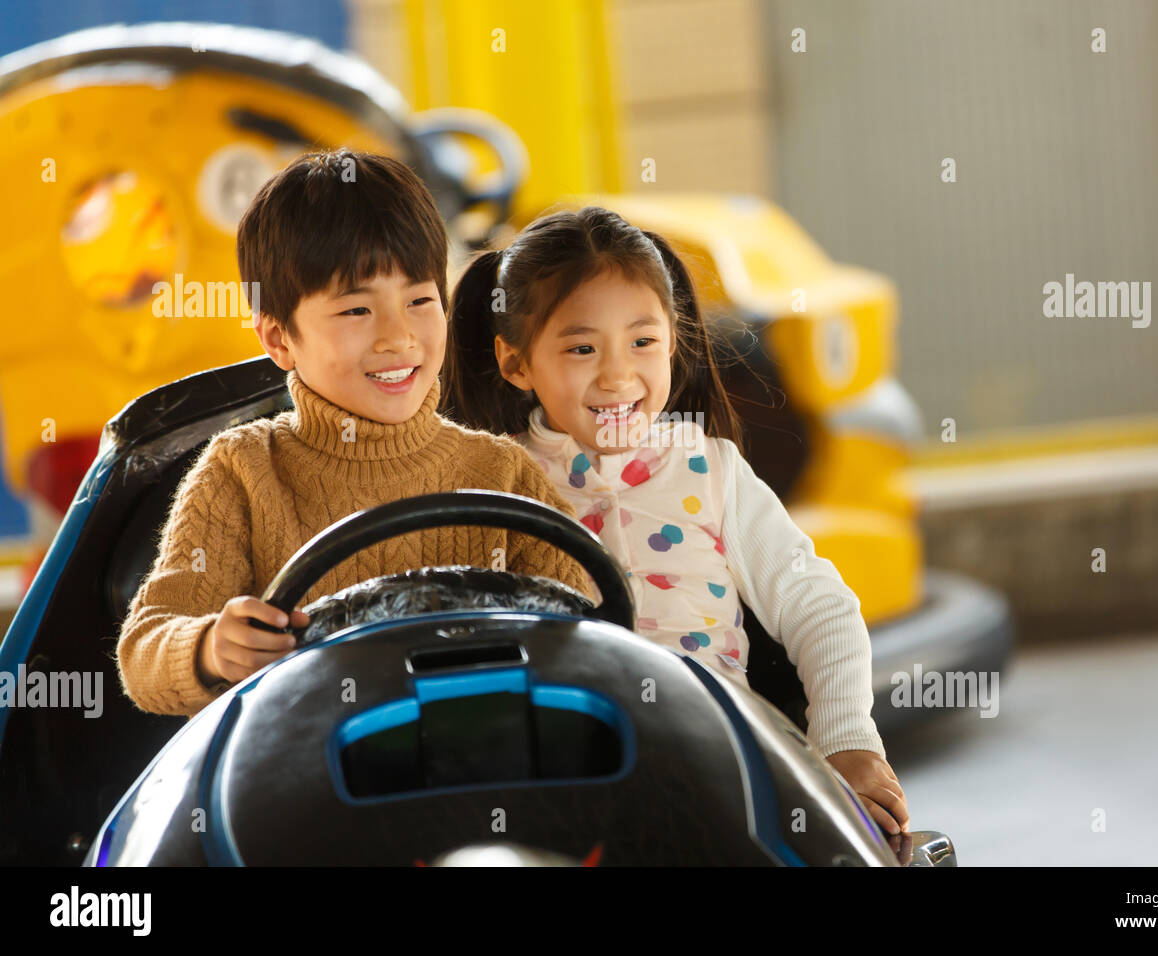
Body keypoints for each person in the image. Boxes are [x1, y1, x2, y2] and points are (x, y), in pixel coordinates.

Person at [440, 206, 910, 835]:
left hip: (721, 758)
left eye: (643, 341)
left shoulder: (709, 471)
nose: (617, 374)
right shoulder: (496, 480)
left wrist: (847, 742)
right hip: (562, 773)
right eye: (582, 347)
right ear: (516, 363)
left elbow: (819, 606)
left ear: (673, 338)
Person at [115, 150, 594, 718]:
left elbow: (586, 627)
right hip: (309, 773)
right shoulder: (242, 471)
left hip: (486, 757)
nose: (398, 337)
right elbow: (145, 649)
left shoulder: (500, 472)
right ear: (279, 339)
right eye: (355, 311)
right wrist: (210, 649)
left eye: (419, 300)